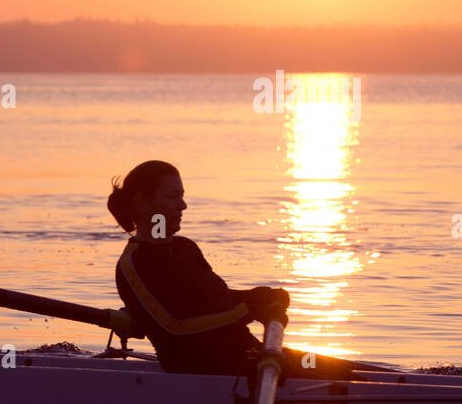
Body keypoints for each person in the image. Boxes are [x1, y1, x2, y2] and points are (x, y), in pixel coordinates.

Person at [107, 160, 358, 380]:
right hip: (207, 370)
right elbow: (174, 327)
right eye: (172, 197)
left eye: (182, 196)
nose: (183, 205)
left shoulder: (185, 248)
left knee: (332, 367)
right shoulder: (136, 265)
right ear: (141, 203)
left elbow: (218, 299)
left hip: (250, 355)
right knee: (336, 377)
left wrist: (257, 296)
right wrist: (247, 312)